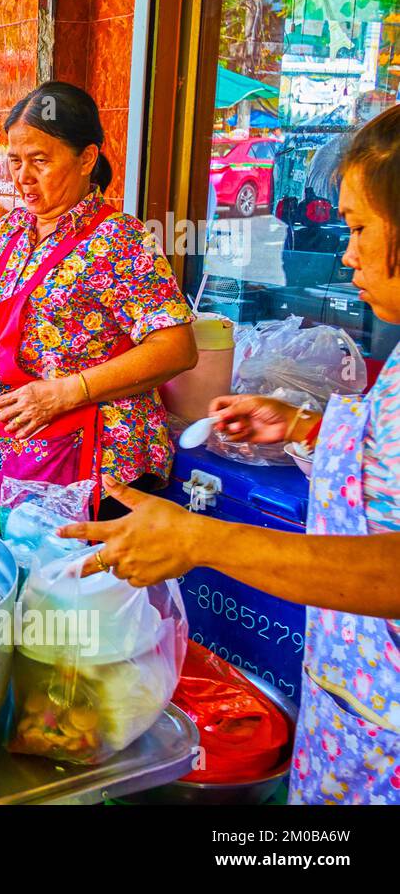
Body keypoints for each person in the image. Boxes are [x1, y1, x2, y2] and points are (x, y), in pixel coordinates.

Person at [62, 104, 400, 805]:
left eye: (362, 226)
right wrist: (306, 427)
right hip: (354, 715)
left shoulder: (122, 242)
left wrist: (199, 539)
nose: (347, 252)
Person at [0, 81, 197, 517]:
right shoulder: (9, 232)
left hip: (94, 464)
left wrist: (66, 393)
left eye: (40, 161)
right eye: (15, 161)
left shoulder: (120, 240)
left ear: (86, 158)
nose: (22, 177)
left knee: (69, 582)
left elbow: (177, 348)